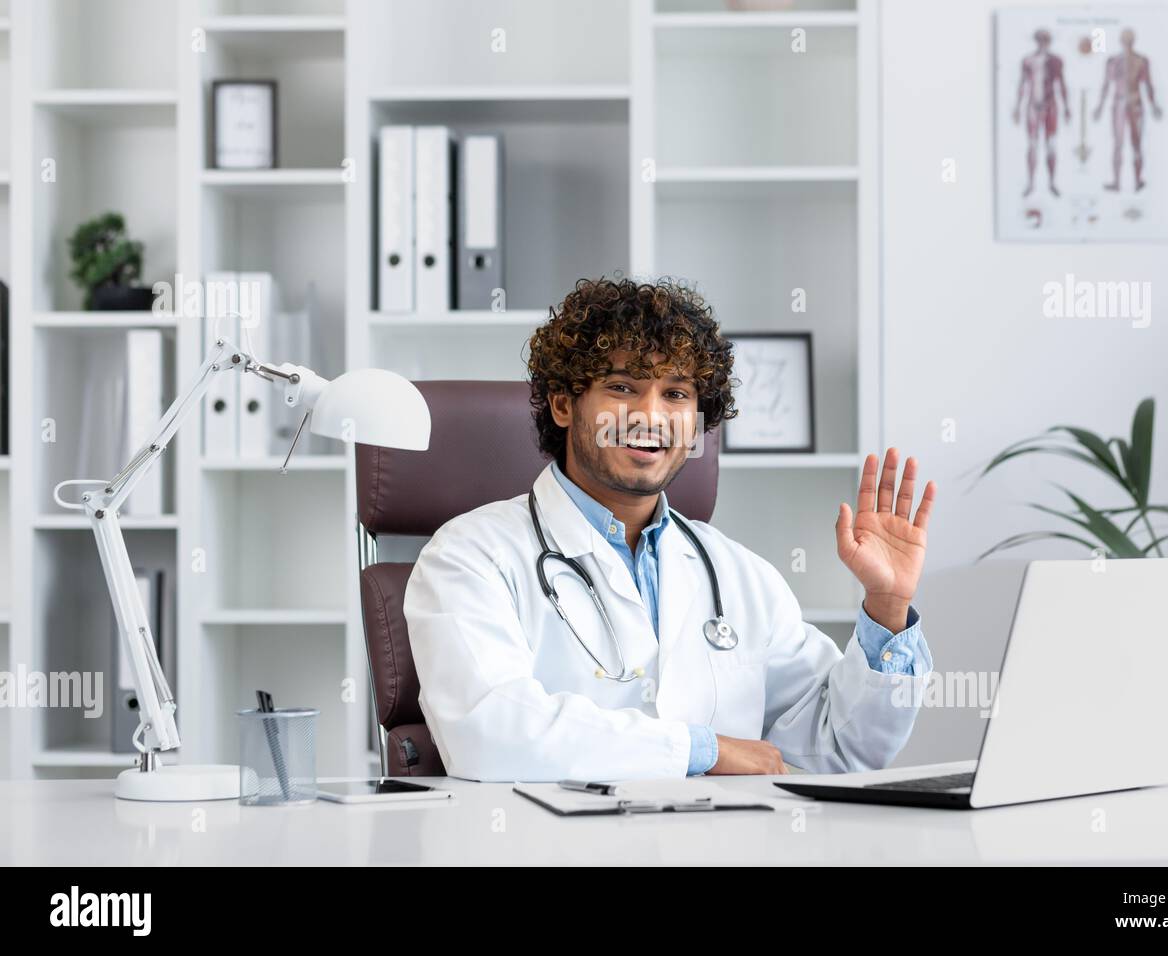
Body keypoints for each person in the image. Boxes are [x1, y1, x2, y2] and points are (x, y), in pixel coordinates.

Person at [404, 277, 938, 781]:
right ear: (564, 404)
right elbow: (489, 731)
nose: (651, 416)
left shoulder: (739, 574)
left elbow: (842, 748)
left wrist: (886, 607)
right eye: (622, 386)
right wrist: (700, 750)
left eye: (677, 394)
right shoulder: (470, 554)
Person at [1094, 28, 1162, 192]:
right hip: (1119, 104)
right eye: (1125, 40)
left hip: (1135, 104)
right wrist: (1099, 107)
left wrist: (1153, 105)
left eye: (1129, 40)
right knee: (1118, 144)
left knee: (1136, 144)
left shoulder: (1141, 61)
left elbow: (1148, 85)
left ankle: (1137, 181)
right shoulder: (1113, 61)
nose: (1127, 43)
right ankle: (1117, 182)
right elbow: (1106, 85)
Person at [1013, 28, 1071, 197]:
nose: (1043, 43)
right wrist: (1017, 107)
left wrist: (1067, 107)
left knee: (1051, 145)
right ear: (1036, 41)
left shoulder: (1056, 61)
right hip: (1033, 106)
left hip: (1050, 106)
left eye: (1046, 40)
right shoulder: (1028, 61)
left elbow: (1062, 84)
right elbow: (1022, 85)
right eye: (1040, 40)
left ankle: (1051, 183)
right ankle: (1030, 183)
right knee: (1032, 145)